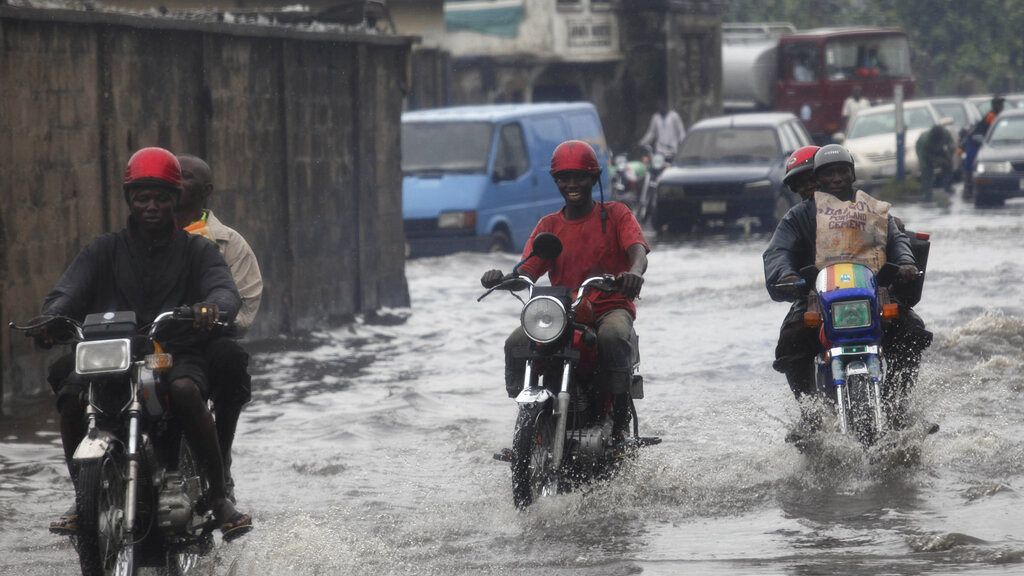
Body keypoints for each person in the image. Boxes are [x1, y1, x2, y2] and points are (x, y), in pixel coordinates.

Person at [40, 147, 253, 541]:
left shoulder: (199, 250)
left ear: (175, 200)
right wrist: (53, 316)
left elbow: (224, 290)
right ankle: (82, 498)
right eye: (143, 198)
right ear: (130, 201)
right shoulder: (103, 249)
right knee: (71, 397)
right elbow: (68, 290)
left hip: (176, 353)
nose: (151, 206)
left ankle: (218, 494)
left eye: (160, 197)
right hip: (113, 354)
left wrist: (210, 308)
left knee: (187, 391)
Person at [481, 140, 649, 439]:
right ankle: (528, 420)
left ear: (594, 178)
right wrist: (502, 278)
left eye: (580, 176)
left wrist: (633, 273)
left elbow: (638, 250)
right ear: (556, 181)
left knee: (612, 336)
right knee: (516, 342)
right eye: (564, 177)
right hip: (563, 311)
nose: (572, 184)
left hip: (609, 305)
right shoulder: (549, 225)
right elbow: (528, 269)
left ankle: (620, 422)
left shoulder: (616, 215)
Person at [763, 144, 932, 432]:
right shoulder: (797, 217)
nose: (836, 180)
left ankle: (898, 409)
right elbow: (777, 253)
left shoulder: (870, 208)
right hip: (817, 297)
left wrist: (904, 263)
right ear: (820, 178)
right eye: (829, 174)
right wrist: (787, 276)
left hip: (871, 294)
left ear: (852, 174)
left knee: (911, 330)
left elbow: (896, 239)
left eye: (842, 172)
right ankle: (810, 416)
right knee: (791, 340)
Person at [177, 153, 263, 500]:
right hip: (152, 342)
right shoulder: (142, 238)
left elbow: (243, 306)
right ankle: (92, 485)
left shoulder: (228, 243)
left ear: (207, 189)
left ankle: (220, 462)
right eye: (173, 176)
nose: (177, 183)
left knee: (229, 358)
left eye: (186, 177)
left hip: (205, 340)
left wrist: (213, 317)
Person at [963, 95, 1005, 198]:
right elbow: (994, 131)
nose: (1002, 106)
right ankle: (968, 189)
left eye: (1002, 104)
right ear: (995, 105)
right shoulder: (992, 116)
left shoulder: (998, 116)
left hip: (981, 141)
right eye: (1000, 104)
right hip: (974, 141)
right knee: (971, 165)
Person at [915, 125, 955, 200]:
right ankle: (927, 193)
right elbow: (926, 155)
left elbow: (951, 145)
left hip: (939, 150)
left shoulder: (945, 134)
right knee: (926, 171)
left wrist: (949, 155)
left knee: (948, 164)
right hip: (925, 152)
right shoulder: (925, 140)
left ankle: (948, 187)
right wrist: (937, 160)